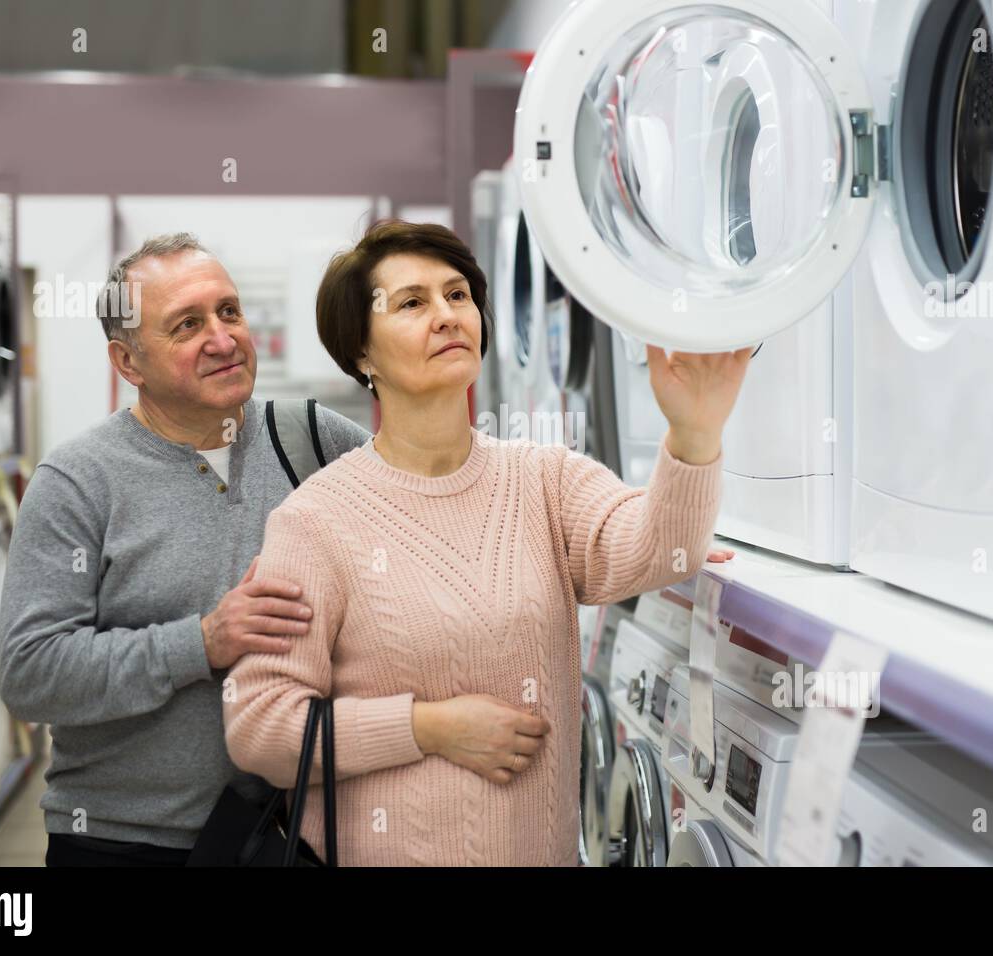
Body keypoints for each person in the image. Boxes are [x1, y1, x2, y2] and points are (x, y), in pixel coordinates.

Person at [223, 220, 753, 865]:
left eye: (458, 295)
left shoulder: (545, 478)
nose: (447, 316)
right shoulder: (315, 522)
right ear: (360, 352)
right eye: (412, 303)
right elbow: (261, 730)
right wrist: (429, 728)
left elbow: (655, 552)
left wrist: (694, 434)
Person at [0, 233, 373, 866]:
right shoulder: (78, 482)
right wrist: (201, 643)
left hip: (282, 837)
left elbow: (423, 502)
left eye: (229, 312)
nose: (223, 339)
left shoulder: (314, 440)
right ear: (128, 363)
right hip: (119, 842)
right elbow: (30, 675)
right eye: (187, 326)